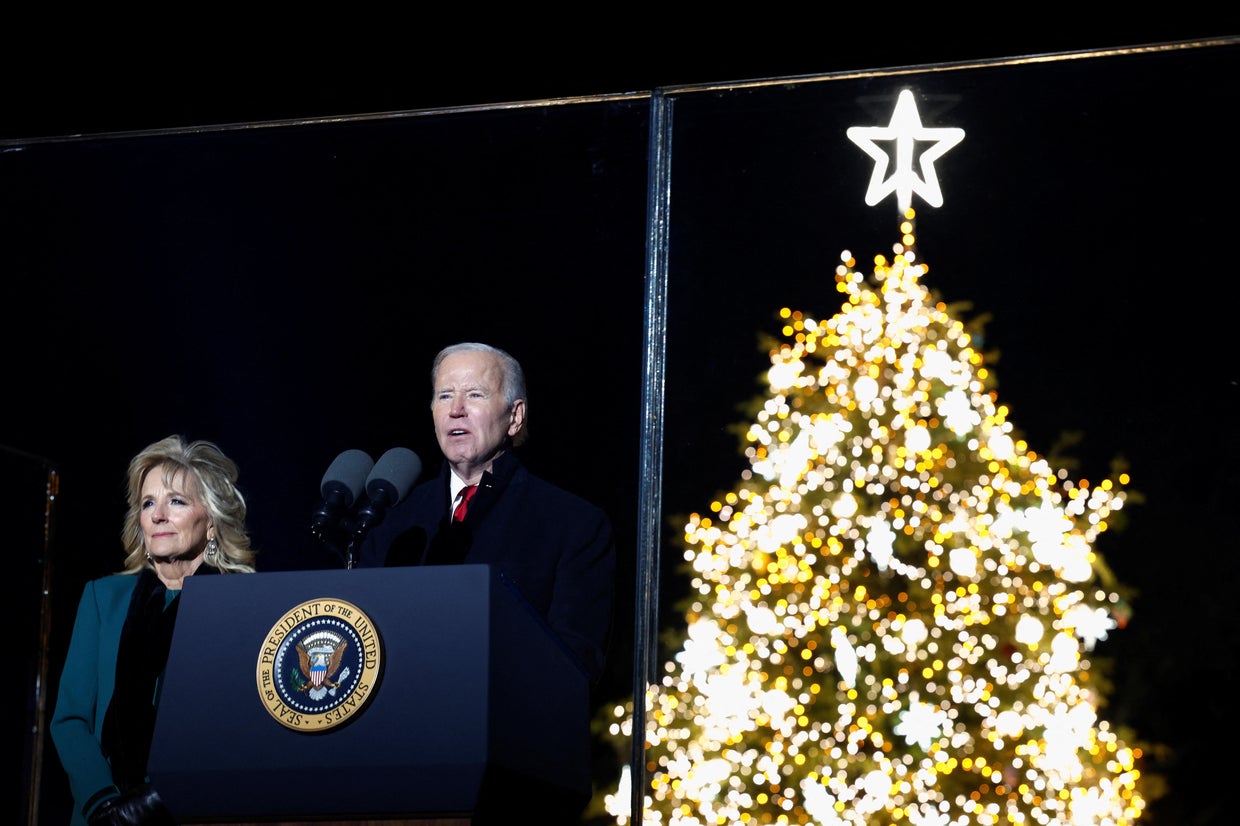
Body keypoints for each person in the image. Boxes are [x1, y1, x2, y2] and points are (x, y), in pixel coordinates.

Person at [354, 341, 617, 822]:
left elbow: (576, 661)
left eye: (474, 395)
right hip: (392, 770)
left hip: (512, 782)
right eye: (443, 395)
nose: (455, 409)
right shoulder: (395, 526)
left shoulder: (572, 523)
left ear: (515, 417)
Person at [50, 435, 257, 826]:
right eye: (148, 503)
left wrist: (164, 798)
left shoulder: (241, 605)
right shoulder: (102, 598)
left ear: (211, 521)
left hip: (196, 812)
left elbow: (239, 728)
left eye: (176, 501)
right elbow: (70, 719)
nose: (158, 515)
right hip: (104, 816)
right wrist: (107, 806)